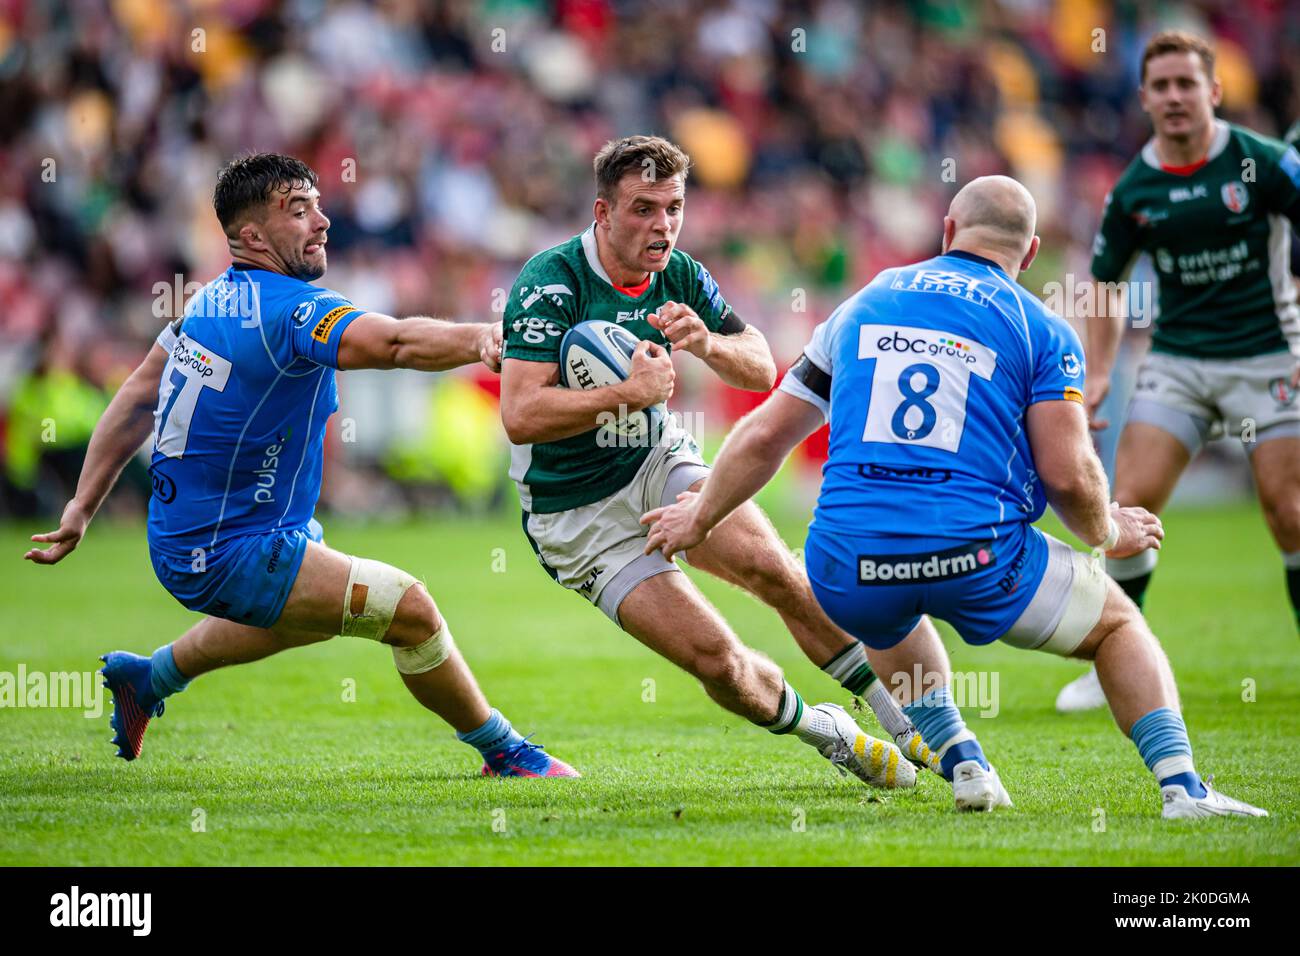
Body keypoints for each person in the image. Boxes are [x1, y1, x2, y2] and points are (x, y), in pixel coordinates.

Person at [642, 175, 1267, 818]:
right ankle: (1182, 788)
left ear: (946, 231)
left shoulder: (864, 302)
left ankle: (964, 761)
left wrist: (702, 514)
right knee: (1117, 625)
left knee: (884, 605)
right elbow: (1070, 475)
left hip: (844, 564)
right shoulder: (1041, 328)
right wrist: (1107, 530)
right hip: (975, 553)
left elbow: (765, 436)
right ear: (1029, 255)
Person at [25, 152, 577, 779]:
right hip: (232, 547)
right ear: (252, 235)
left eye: (317, 203)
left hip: (205, 538)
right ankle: (506, 753)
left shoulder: (208, 304)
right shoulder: (292, 311)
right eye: (299, 209)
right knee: (409, 609)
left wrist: (80, 507)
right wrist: (481, 338)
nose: (322, 221)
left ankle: (147, 679)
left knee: (312, 622)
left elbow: (134, 402)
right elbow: (393, 342)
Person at [498, 135, 936, 789]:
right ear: (602, 212)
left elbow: (759, 365)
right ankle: (831, 734)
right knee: (721, 664)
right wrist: (627, 394)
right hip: (577, 514)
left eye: (673, 207)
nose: (662, 225)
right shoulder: (550, 282)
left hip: (654, 462)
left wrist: (706, 342)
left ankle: (904, 724)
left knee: (773, 569)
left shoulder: (678, 273)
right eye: (643, 208)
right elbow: (520, 413)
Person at [1057, 31, 1300, 711]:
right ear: (1143, 98)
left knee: (1290, 513)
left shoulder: (1264, 163)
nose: (1173, 97)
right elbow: (1103, 285)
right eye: (1160, 86)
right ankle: (1112, 660)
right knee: (1126, 503)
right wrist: (1099, 372)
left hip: (1271, 356)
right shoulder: (1135, 187)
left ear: (1214, 92)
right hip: (1179, 362)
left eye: (1186, 84)